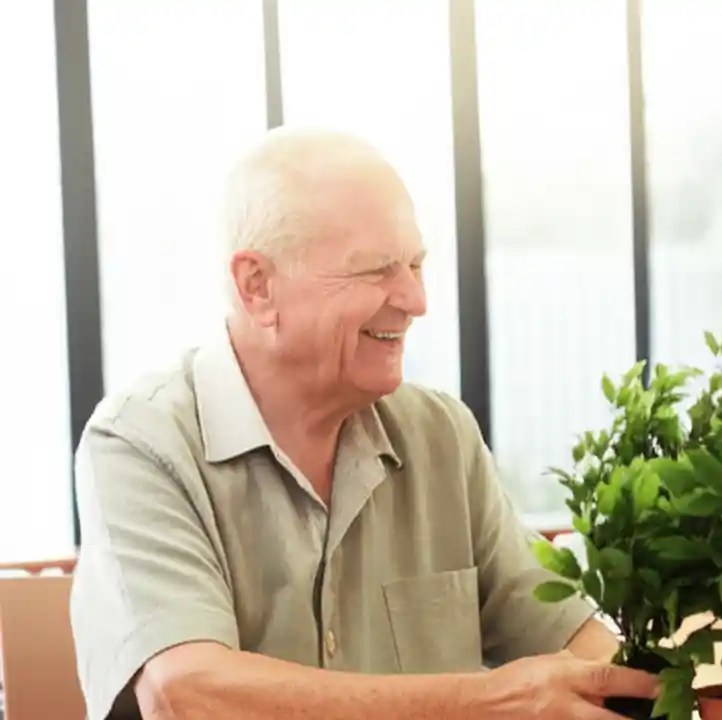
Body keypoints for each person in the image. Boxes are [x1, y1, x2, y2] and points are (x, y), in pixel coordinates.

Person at [68, 128, 657, 720]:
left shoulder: (441, 435)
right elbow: (188, 694)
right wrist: (493, 702)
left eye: (416, 264)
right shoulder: (139, 444)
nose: (415, 299)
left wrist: (649, 692)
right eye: (376, 270)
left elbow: (569, 636)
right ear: (258, 286)